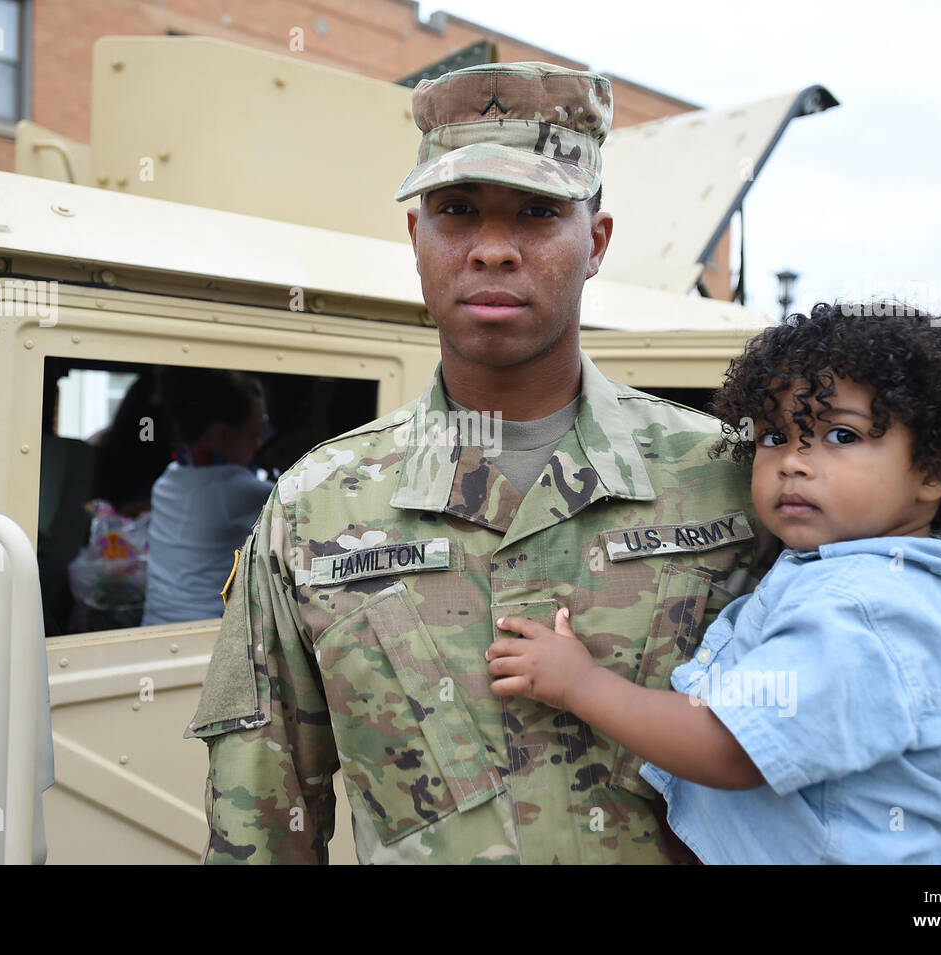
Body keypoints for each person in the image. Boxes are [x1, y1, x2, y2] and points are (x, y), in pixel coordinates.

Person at [187, 62, 774, 864]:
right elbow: (264, 815)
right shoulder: (315, 509)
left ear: (595, 243)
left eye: (537, 213)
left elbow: (838, 747)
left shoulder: (733, 480)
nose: (494, 250)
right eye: (457, 211)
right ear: (416, 239)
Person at [488, 303, 941, 863]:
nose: (793, 461)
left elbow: (731, 749)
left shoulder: (861, 604)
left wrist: (581, 685)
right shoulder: (855, 573)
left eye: (840, 435)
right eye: (774, 436)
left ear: (937, 470)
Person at [142, 368, 274, 625]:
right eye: (254, 434)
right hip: (203, 635)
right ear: (222, 435)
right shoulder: (238, 491)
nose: (258, 445)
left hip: (153, 625)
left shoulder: (168, 479)